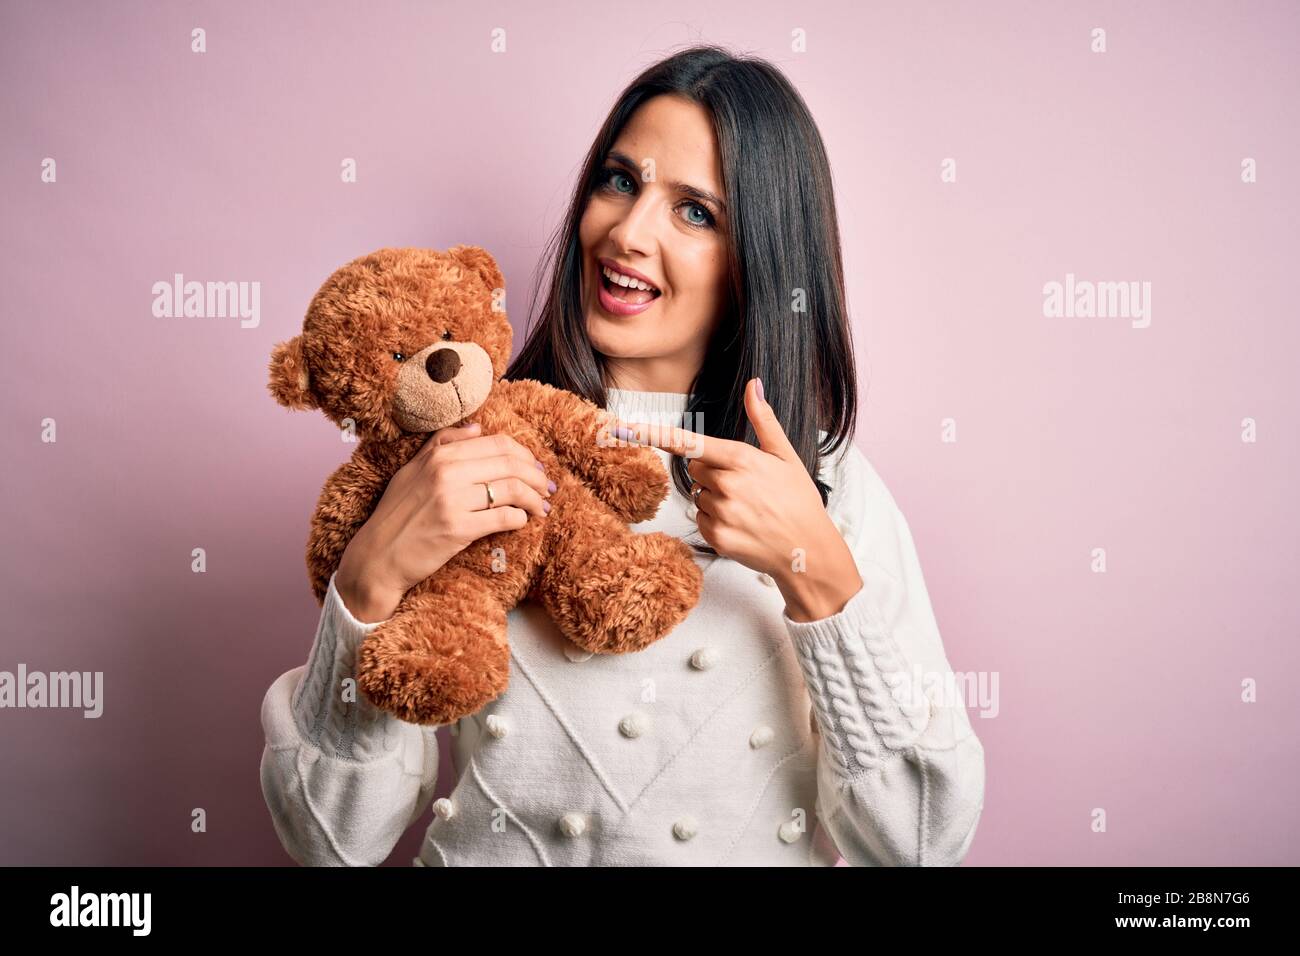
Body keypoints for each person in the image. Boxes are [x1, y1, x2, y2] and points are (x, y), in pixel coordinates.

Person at [259, 44, 985, 866]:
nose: (629, 233)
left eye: (696, 212)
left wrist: (817, 574)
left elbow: (923, 843)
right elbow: (330, 838)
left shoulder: (831, 491)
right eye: (619, 181)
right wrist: (368, 580)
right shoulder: (454, 454)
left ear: (763, 260)